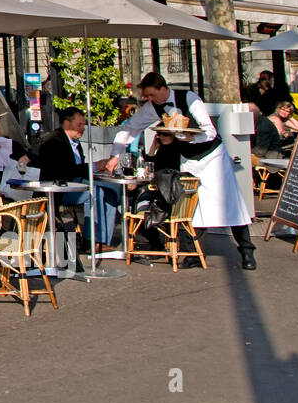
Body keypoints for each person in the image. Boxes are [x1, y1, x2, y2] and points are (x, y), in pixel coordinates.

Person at [108, 72, 256, 270]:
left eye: (152, 95)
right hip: (188, 159)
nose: (150, 100)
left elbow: (210, 131)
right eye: (147, 97)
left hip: (212, 156)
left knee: (230, 203)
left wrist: (189, 137)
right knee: (191, 206)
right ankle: (192, 254)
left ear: (163, 88)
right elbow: (130, 128)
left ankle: (247, 251)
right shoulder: (153, 107)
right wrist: (115, 154)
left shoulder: (189, 98)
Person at [37, 107, 121, 254]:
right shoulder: (53, 141)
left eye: (84, 125)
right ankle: (91, 240)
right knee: (94, 192)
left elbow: (77, 168)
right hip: (59, 188)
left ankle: (103, 240)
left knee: (110, 192)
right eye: (79, 125)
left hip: (76, 183)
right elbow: (64, 170)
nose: (82, 128)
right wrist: (93, 166)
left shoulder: (75, 142)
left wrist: (96, 169)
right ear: (67, 123)